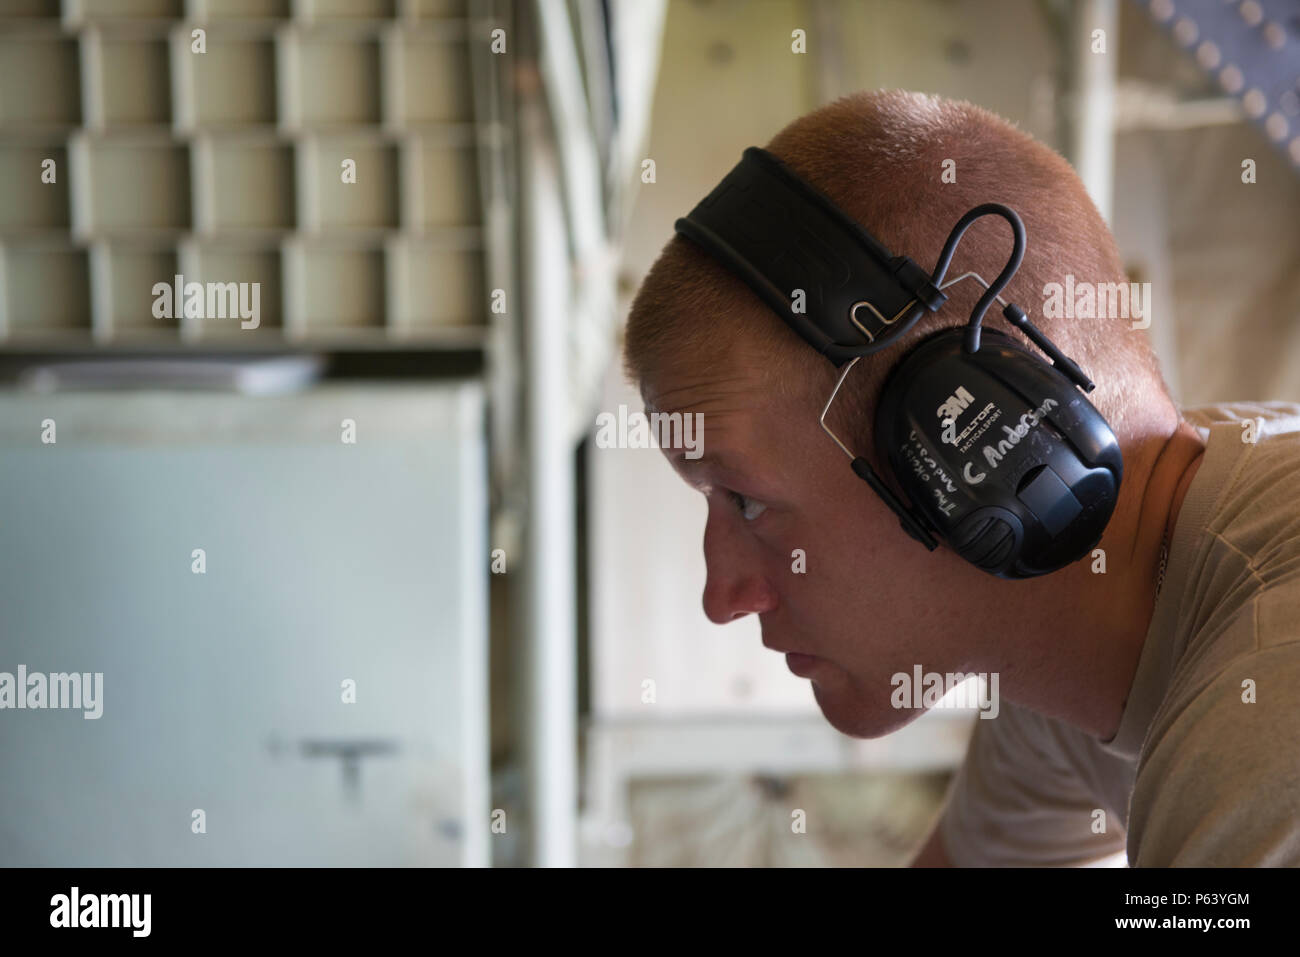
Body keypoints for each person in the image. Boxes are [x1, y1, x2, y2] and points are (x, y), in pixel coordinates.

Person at [621, 89, 1300, 866]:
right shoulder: (1068, 670)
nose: (723, 593)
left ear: (970, 434)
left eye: (745, 499)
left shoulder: (1276, 695)